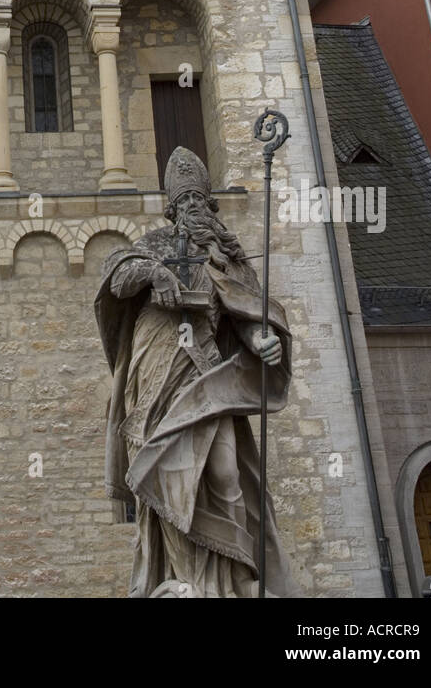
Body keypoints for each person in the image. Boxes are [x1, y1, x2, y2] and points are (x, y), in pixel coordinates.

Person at [95, 146, 298, 597]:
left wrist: (263, 340)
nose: (193, 212)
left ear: (211, 206)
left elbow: (245, 315)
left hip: (207, 377)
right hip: (154, 380)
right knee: (168, 471)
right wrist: (155, 274)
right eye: (183, 205)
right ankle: (182, 577)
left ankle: (234, 575)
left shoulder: (229, 261)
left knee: (225, 470)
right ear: (173, 211)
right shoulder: (156, 245)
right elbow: (117, 274)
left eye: (199, 204)